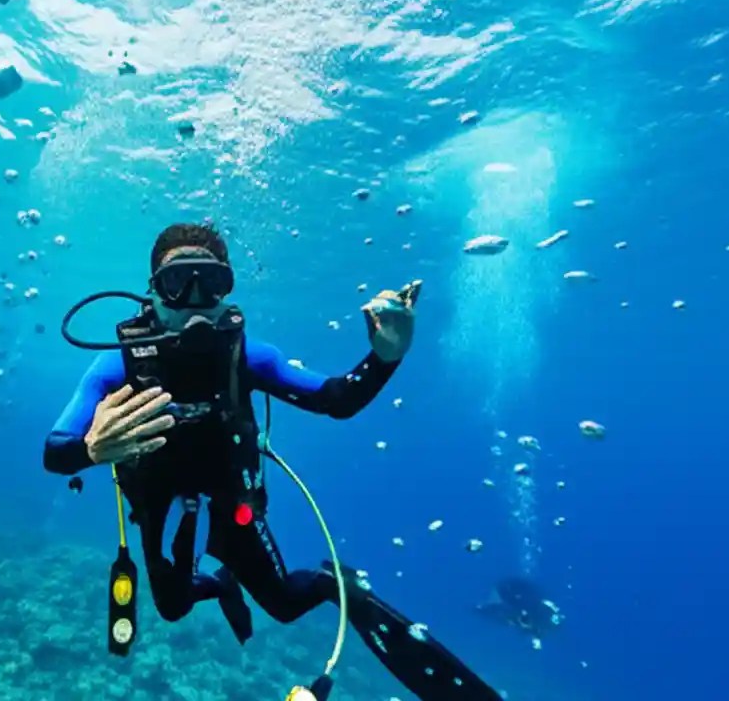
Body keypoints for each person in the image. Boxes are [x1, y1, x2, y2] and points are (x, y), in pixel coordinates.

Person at [44, 223, 500, 701]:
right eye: (179, 283)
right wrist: (91, 448)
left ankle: (330, 583)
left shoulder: (246, 356)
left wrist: (384, 357)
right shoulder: (120, 364)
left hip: (232, 496)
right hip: (159, 497)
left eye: (212, 282)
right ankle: (221, 582)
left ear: (227, 290)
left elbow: (335, 399)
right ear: (153, 292)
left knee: (283, 604)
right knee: (174, 607)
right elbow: (55, 450)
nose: (196, 299)